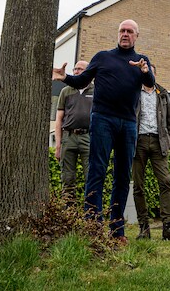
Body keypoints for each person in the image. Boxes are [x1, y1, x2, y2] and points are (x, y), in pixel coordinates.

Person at [53, 19, 154, 244]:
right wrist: (64, 77)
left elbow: (150, 84)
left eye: (129, 31)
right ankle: (93, 227)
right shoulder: (102, 57)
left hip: (128, 123)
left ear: (137, 36)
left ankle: (117, 231)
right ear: (117, 34)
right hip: (102, 120)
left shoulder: (141, 61)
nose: (125, 34)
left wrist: (146, 71)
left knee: (122, 175)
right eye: (122, 30)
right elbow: (82, 80)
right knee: (96, 171)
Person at [132, 78, 170, 240]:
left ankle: (168, 227)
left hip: (158, 142)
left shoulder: (162, 93)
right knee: (138, 186)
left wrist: (168, 142)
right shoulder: (134, 92)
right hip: (138, 142)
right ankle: (144, 228)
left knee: (165, 182)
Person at [54, 60, 92, 198]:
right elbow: (58, 120)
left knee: (91, 177)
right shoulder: (66, 91)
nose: (76, 71)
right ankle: (68, 214)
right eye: (75, 69)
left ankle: (90, 214)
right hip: (68, 137)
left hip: (88, 137)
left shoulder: (96, 90)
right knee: (67, 178)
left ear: (88, 72)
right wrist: (58, 145)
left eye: (80, 69)